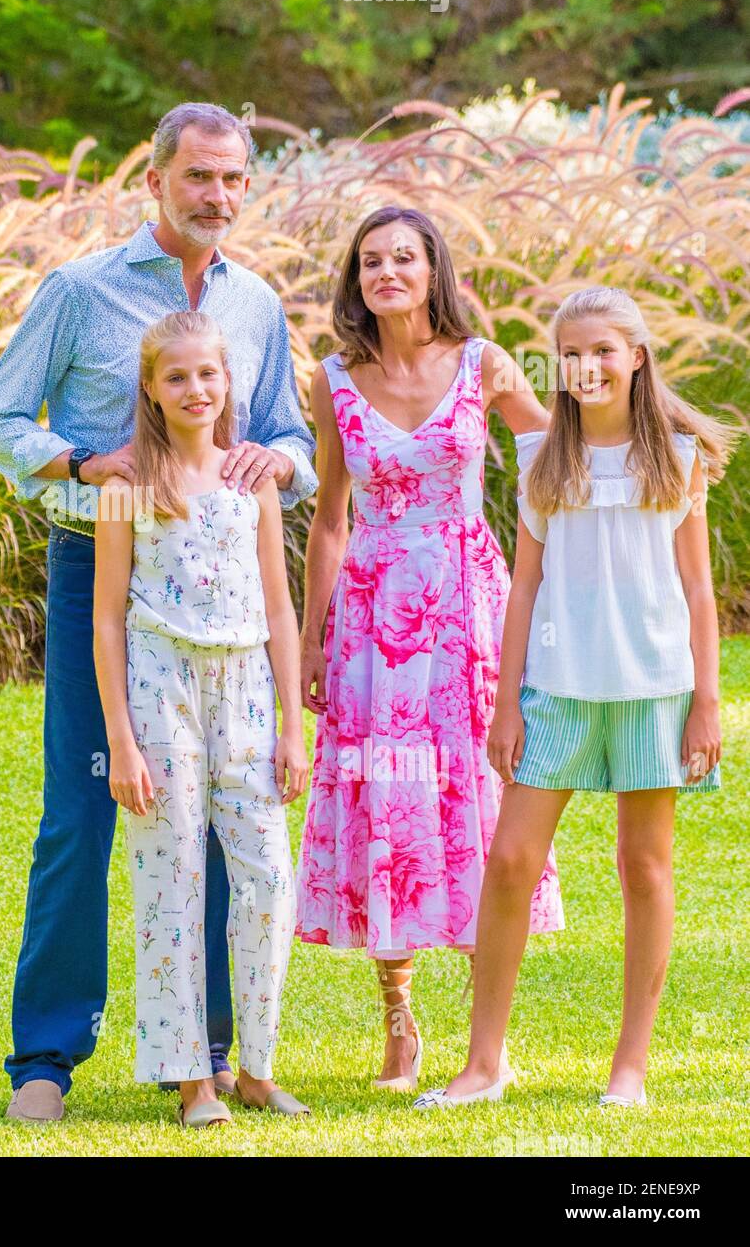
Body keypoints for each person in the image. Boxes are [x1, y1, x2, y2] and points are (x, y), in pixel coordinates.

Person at [0, 103, 317, 1121]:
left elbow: (288, 433)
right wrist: (82, 461)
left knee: (219, 821)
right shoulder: (81, 292)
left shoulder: (254, 305)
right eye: (198, 176)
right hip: (105, 578)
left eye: (233, 180)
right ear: (155, 179)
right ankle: (45, 1055)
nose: (216, 196)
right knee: (84, 809)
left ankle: (206, 1053)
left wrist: (277, 462)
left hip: (225, 596)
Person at [414, 286, 736, 1111]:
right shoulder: (541, 459)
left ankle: (629, 1068)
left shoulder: (675, 455)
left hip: (654, 690)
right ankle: (484, 1063)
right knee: (512, 861)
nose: (587, 366)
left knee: (644, 866)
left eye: (603, 350)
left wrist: (709, 701)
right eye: (572, 354)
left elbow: (700, 593)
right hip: (557, 689)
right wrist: (508, 703)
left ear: (636, 356)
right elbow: (524, 589)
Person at [295, 206, 565, 1093]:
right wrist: (312, 640)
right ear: (357, 281)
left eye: (402, 258)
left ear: (431, 268)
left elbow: (552, 451)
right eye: (370, 262)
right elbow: (329, 521)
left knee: (481, 802)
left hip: (468, 606)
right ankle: (399, 1022)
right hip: (374, 618)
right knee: (391, 800)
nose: (385, 274)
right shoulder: (333, 379)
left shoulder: (485, 362)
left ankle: (488, 1047)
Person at [92, 309, 309, 1127]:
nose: (195, 389)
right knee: (170, 876)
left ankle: (257, 1063)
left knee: (265, 874)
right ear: (150, 387)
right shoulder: (126, 489)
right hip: (160, 687)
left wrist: (293, 724)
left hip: (247, 682)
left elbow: (281, 610)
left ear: (229, 384)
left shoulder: (253, 484)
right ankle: (191, 1078)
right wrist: (120, 738)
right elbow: (105, 617)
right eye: (176, 376)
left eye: (208, 374)